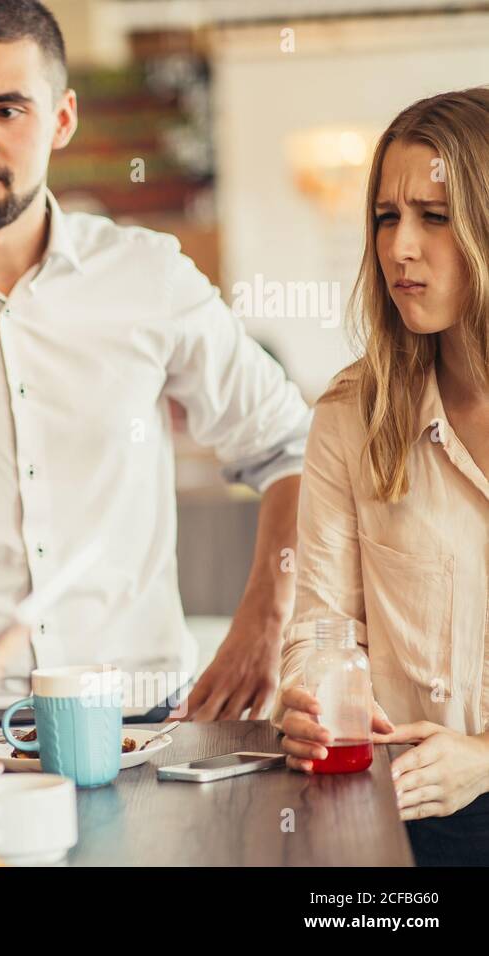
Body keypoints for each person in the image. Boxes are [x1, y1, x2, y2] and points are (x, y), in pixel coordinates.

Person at [0, 0, 313, 721]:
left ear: (62, 119)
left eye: (9, 110)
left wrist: (266, 618)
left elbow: (293, 448)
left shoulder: (149, 275)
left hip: (140, 721)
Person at [274, 87, 489, 866]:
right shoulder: (348, 414)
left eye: (434, 217)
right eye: (386, 217)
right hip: (399, 813)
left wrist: (484, 755)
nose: (399, 248)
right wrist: (309, 701)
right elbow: (321, 624)